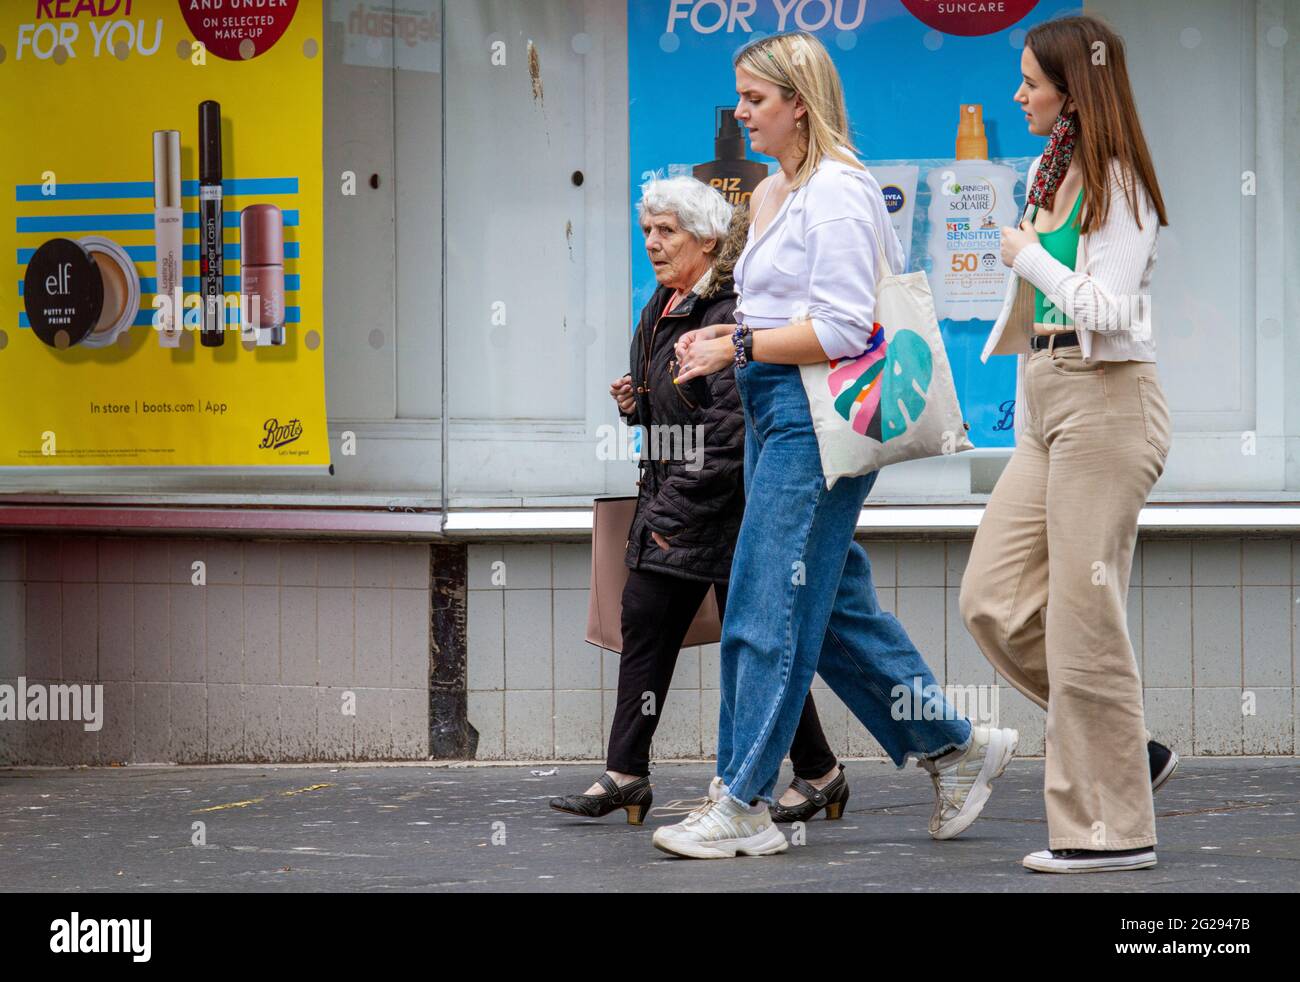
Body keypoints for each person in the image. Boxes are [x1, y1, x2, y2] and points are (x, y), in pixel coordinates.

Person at [653, 31, 1018, 861]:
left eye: (755, 99)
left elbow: (850, 327)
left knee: (760, 604)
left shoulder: (840, 193)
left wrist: (733, 348)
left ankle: (743, 799)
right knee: (834, 612)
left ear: (799, 103)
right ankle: (955, 748)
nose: (741, 113)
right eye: (740, 98)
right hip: (777, 412)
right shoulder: (783, 192)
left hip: (812, 418)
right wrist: (726, 343)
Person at [549, 177, 846, 827]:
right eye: (648, 230)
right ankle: (633, 773)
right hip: (683, 509)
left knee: (746, 640)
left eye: (667, 231)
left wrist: (666, 513)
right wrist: (640, 406)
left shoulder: (726, 311)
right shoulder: (665, 303)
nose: (652, 243)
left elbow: (726, 433)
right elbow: (683, 413)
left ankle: (813, 772)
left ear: (707, 240)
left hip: (723, 512)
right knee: (671, 627)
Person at [959, 14, 1176, 874]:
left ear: (1073, 91)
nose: (1017, 96)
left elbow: (1110, 308)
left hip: (1109, 403)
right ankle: (1127, 745)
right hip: (1050, 400)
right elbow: (1043, 321)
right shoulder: (1048, 178)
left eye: (1030, 83)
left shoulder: (1120, 181)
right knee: (992, 596)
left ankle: (1110, 834)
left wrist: (1024, 257)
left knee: (1086, 620)